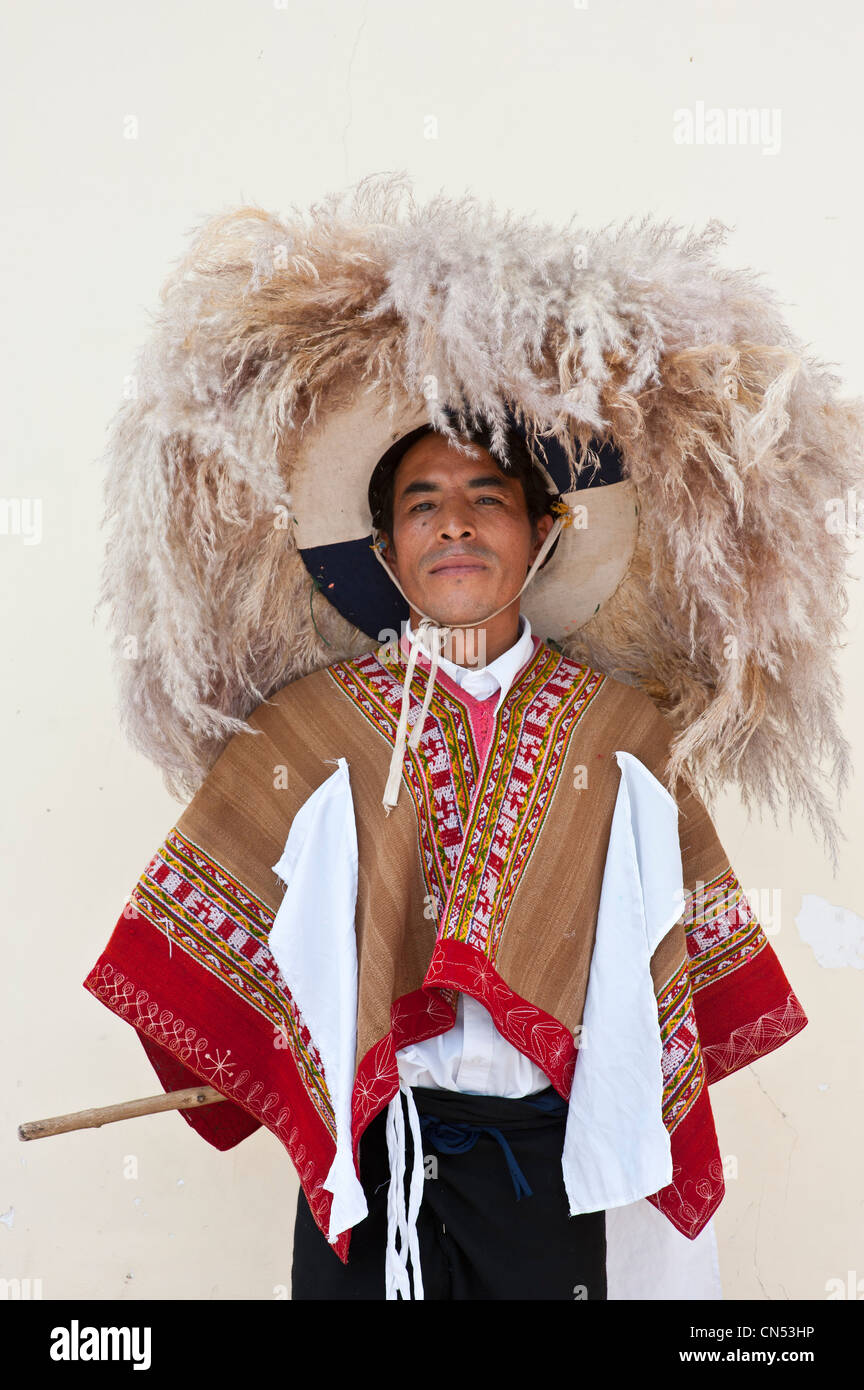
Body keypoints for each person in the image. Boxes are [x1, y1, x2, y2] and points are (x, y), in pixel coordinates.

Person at [82, 176, 859, 1301]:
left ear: (543, 536)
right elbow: (207, 922)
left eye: (487, 495)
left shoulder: (620, 733)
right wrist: (256, 1046)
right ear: (388, 554)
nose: (454, 519)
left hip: (544, 1170)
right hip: (372, 1160)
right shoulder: (313, 725)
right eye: (422, 501)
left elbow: (675, 970)